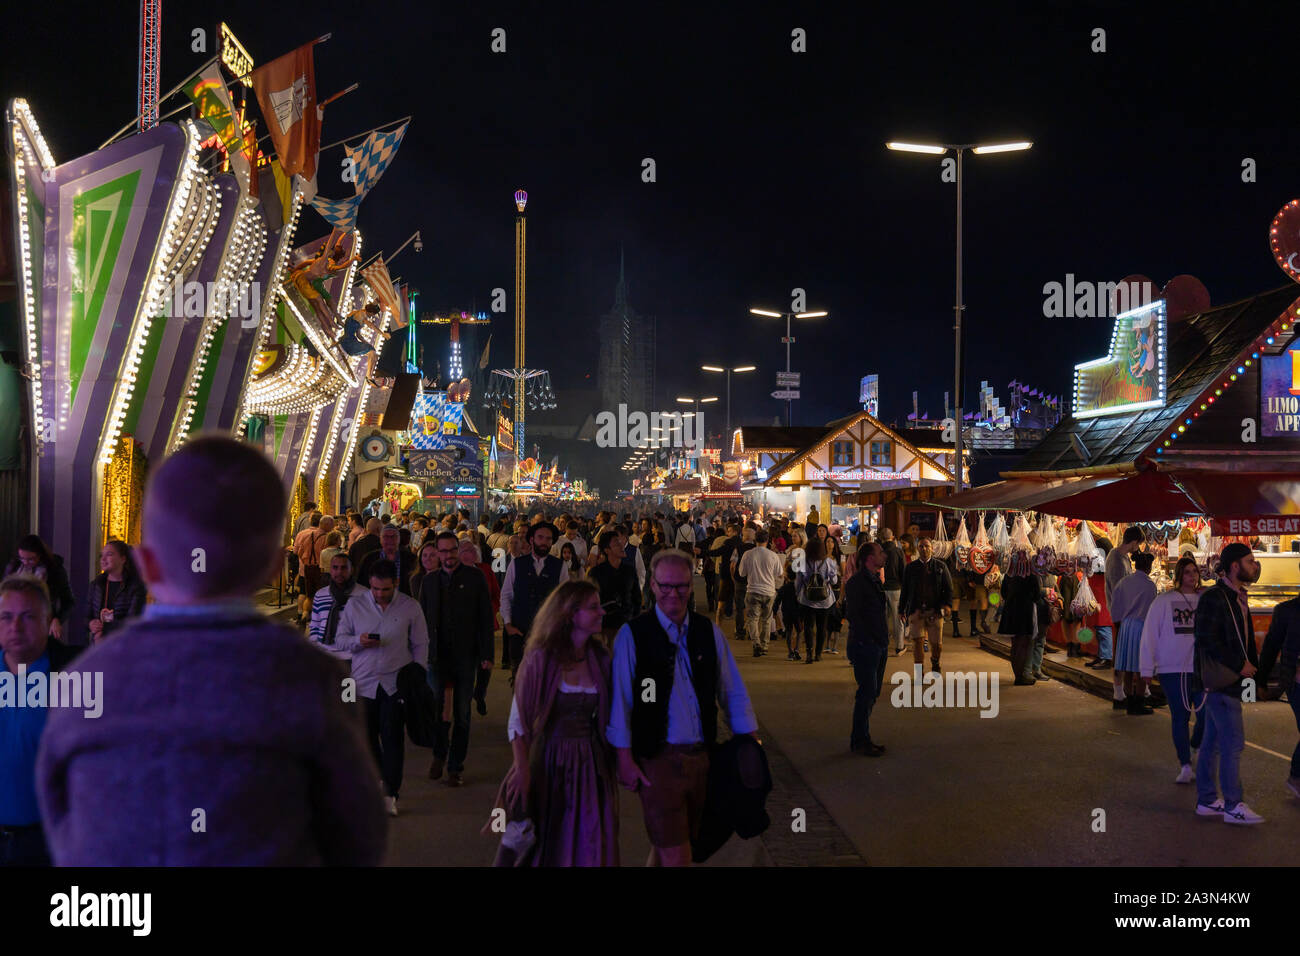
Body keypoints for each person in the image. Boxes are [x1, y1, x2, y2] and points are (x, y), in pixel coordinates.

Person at [37, 436, 385, 863]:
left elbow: (58, 816)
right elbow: (358, 835)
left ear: (147, 563)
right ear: (274, 566)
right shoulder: (314, 679)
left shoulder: (87, 676)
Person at [607, 550, 759, 867]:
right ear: (652, 585)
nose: (673, 594)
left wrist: (748, 740)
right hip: (658, 760)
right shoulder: (632, 635)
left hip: (703, 756)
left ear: (691, 586)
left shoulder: (708, 632)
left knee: (675, 846)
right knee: (677, 855)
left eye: (681, 587)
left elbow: (731, 689)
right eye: (666, 586)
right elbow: (620, 702)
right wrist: (623, 758)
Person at [492, 580, 618, 866]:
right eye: (593, 608)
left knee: (590, 836)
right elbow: (518, 721)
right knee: (548, 837)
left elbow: (616, 714)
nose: (601, 613)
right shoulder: (541, 658)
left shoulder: (600, 658)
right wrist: (522, 769)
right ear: (571, 614)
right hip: (548, 760)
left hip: (590, 762)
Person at [337, 558, 429, 815]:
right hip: (363, 683)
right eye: (375, 589)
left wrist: (418, 673)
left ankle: (390, 792)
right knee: (366, 738)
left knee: (393, 740)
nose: (380, 594)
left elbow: (421, 643)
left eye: (385, 590)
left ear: (395, 584)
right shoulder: (355, 606)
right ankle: (378, 778)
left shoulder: (410, 607)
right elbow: (340, 639)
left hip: (395, 684)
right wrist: (359, 641)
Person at [1, 576, 81, 865]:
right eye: (6, 617)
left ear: (48, 620)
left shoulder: (75, 677)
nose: (15, 627)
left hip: (48, 843)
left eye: (28, 617)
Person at [1193, 543, 1263, 825]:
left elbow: (1244, 641)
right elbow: (1206, 639)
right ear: (1234, 566)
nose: (1255, 565)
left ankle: (1208, 800)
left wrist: (1253, 676)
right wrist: (1239, 665)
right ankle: (1234, 805)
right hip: (1221, 681)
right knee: (1233, 744)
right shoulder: (1215, 598)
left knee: (1213, 742)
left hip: (1234, 681)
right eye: (1250, 561)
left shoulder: (1238, 597)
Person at [419, 533, 494, 788]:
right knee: (440, 711)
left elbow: (485, 618)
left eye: (452, 551)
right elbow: (421, 621)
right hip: (438, 656)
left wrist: (486, 655)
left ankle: (455, 766)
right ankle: (439, 754)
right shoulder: (430, 583)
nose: (448, 556)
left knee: (462, 713)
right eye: (443, 552)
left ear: (458, 551)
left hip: (466, 656)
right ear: (437, 553)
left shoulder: (475, 578)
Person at [1139, 556, 1205, 783]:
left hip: (1201, 668)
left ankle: (1195, 745)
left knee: (1205, 716)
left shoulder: (1204, 600)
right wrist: (1146, 667)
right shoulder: (1163, 601)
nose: (1192, 576)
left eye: (1194, 571)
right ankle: (1185, 764)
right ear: (1178, 576)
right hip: (1172, 668)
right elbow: (1150, 634)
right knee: (1180, 716)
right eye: (1187, 572)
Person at [1259, 557, 1300, 799]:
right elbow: (1270, 648)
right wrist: (1260, 682)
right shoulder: (1286, 611)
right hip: (1295, 681)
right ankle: (1296, 776)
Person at [844, 542, 889, 757]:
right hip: (865, 645)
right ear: (870, 558)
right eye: (880, 553)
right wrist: (868, 640)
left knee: (872, 693)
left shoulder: (875, 581)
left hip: (878, 644)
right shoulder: (857, 583)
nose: (884, 556)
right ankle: (860, 739)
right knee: (866, 693)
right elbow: (854, 615)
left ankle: (862, 737)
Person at [501, 522, 564, 674]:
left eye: (548, 539)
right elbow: (506, 595)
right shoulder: (516, 564)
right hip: (519, 632)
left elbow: (564, 600)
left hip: (548, 635)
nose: (544, 542)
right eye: (540, 537)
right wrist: (508, 624)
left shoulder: (560, 566)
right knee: (520, 681)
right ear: (532, 540)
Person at [1110, 551, 1159, 715]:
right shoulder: (1150, 585)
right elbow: (1152, 610)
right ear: (1149, 567)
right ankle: (1138, 701)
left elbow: (1115, 606)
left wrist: (1119, 622)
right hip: (1142, 626)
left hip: (1126, 626)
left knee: (1128, 666)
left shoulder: (1124, 582)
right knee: (1143, 667)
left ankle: (1129, 700)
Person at [4, 535, 75, 643]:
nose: (26, 563)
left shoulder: (54, 570)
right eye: (22, 558)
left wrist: (57, 619)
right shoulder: (14, 567)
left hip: (43, 623)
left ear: (40, 555)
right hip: (16, 622)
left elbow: (69, 601)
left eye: (30, 559)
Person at [898, 537, 953, 674]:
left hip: (935, 611)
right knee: (918, 643)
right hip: (916, 611)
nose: (924, 549)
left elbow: (949, 588)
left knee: (936, 645)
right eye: (921, 546)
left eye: (927, 546)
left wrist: (947, 605)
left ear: (932, 549)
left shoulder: (940, 567)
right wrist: (901, 610)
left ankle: (935, 663)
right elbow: (905, 590)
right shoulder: (910, 568)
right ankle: (919, 672)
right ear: (918, 549)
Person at [85, 540, 147, 644]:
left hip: (125, 646)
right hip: (97, 646)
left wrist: (105, 631)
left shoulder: (136, 587)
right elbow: (86, 617)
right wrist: (91, 624)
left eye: (109, 554)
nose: (103, 559)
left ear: (123, 559)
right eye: (102, 555)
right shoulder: (96, 584)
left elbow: (133, 621)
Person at [738, 529, 784, 658]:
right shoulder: (773, 555)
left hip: (752, 590)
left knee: (752, 619)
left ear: (755, 540)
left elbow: (742, 573)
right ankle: (764, 646)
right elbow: (780, 574)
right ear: (767, 540)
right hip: (769, 591)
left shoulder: (748, 554)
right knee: (766, 620)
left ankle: (756, 643)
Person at [587, 531, 642, 642]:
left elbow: (636, 598)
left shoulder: (629, 571)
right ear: (607, 550)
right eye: (617, 544)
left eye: (621, 542)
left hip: (626, 625)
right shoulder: (596, 573)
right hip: (604, 628)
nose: (622, 545)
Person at [357, 526, 414, 594]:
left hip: (402, 601)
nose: (390, 540)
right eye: (386, 536)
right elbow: (361, 582)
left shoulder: (410, 559)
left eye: (393, 536)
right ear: (380, 539)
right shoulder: (369, 559)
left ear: (399, 539)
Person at [879, 529, 906, 655]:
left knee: (882, 618)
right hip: (896, 588)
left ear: (880, 537)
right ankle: (899, 646)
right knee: (898, 618)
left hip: (881, 588)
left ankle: (882, 644)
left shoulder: (878, 551)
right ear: (893, 537)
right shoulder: (898, 551)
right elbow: (903, 571)